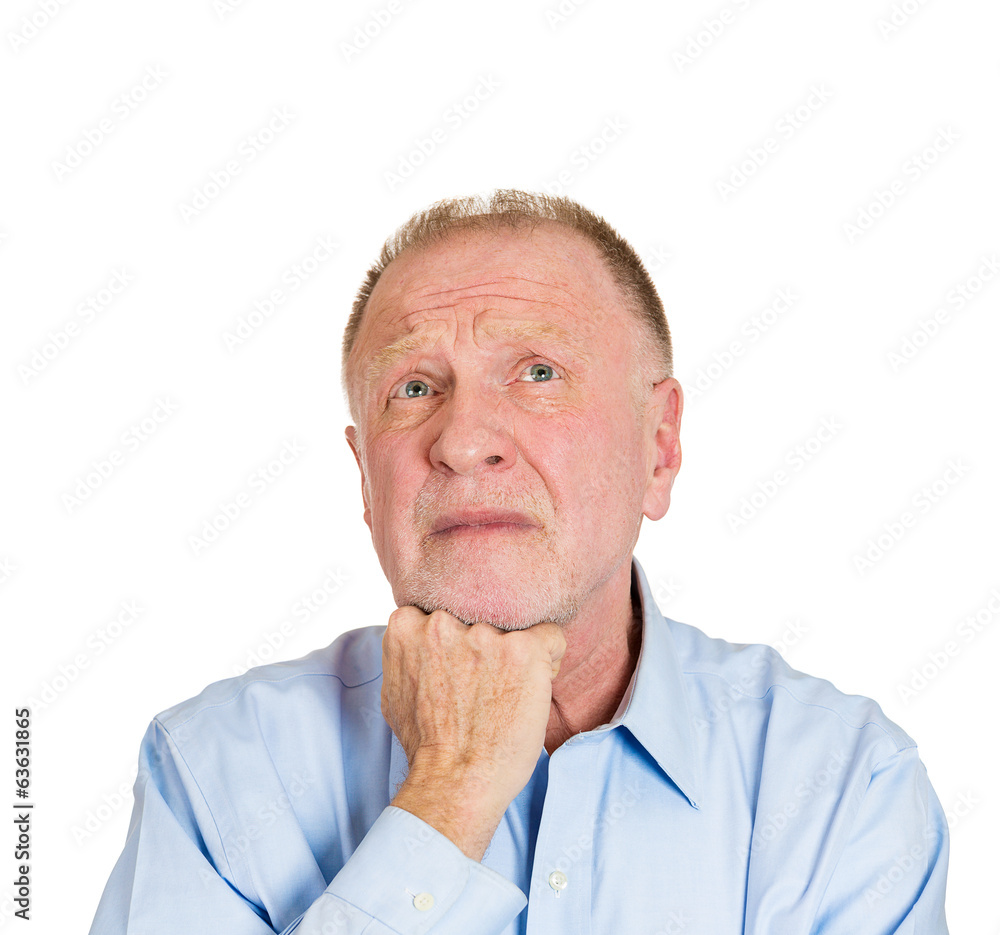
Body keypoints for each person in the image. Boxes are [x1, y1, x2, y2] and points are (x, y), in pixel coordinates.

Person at [89, 190, 950, 934]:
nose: (463, 441)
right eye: (413, 388)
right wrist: (447, 796)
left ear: (659, 446)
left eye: (538, 372)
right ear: (365, 479)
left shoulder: (845, 787)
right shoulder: (212, 772)